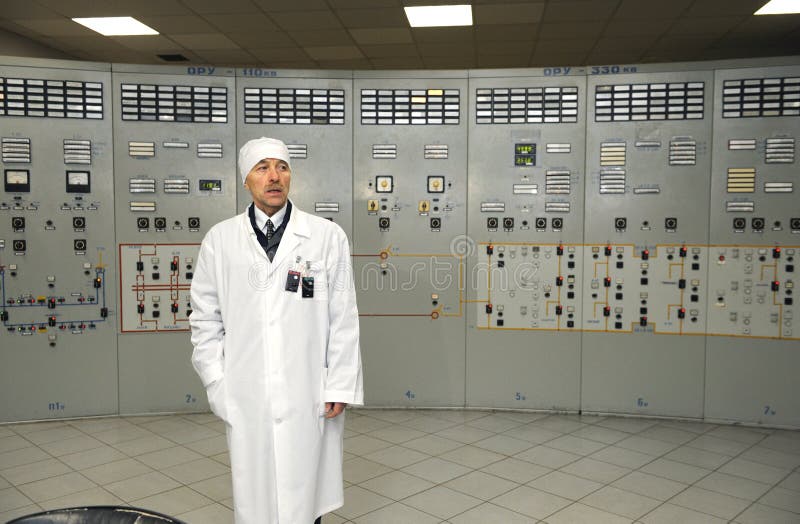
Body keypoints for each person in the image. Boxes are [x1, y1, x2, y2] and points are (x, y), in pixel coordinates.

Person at [189, 137, 363, 524]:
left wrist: (339, 384)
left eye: (282, 167)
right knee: (256, 499)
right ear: (246, 180)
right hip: (246, 390)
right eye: (262, 168)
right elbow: (204, 320)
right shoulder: (220, 240)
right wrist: (218, 384)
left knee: (304, 496)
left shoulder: (325, 237)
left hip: (307, 390)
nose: (274, 177)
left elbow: (343, 316)